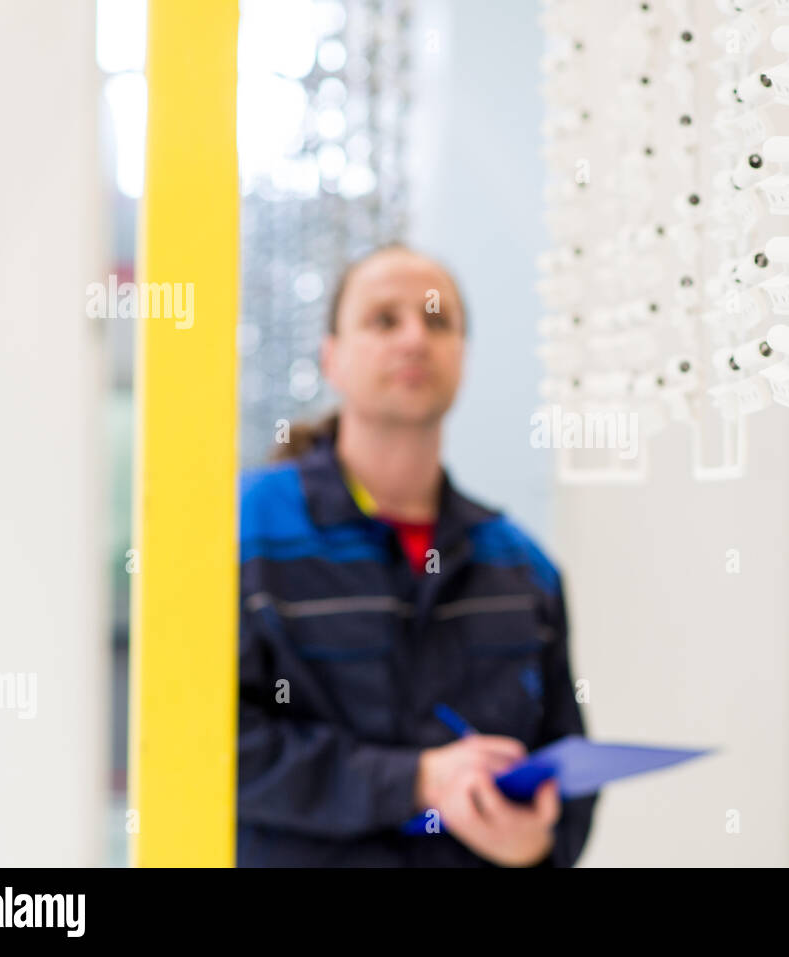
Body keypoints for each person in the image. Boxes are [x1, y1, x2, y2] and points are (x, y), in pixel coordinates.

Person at [236, 244, 595, 866]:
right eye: (383, 320)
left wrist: (540, 844)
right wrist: (415, 781)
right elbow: (208, 747)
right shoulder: (244, 533)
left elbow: (565, 771)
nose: (413, 339)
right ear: (332, 358)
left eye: (437, 322)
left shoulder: (522, 569)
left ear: (463, 356)